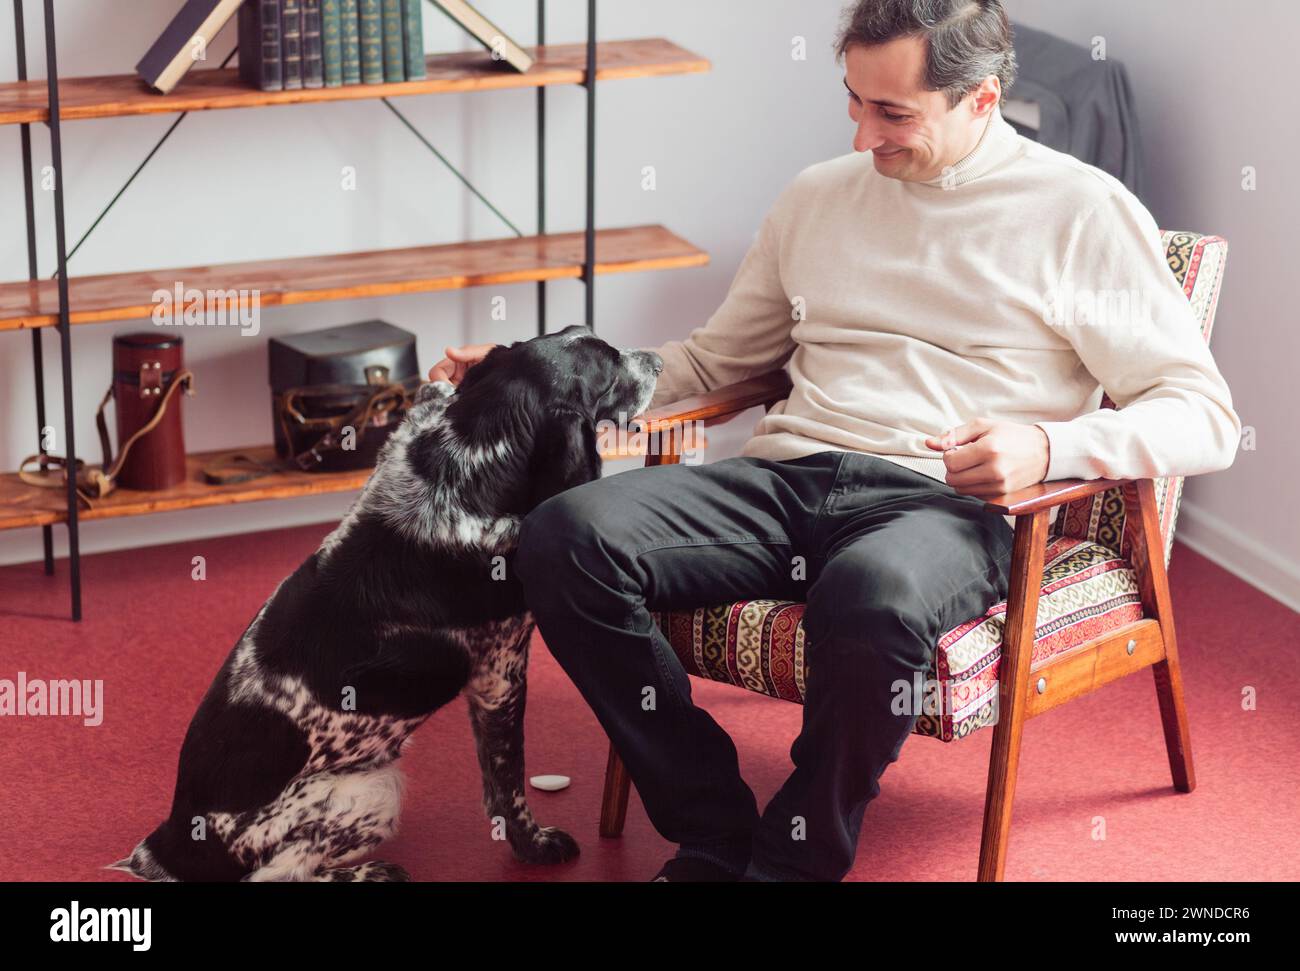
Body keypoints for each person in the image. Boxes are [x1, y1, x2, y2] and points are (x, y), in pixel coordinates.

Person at [429, 0, 1240, 881]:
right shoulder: (818, 196)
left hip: (941, 506)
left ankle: (793, 859)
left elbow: (1203, 415)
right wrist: (525, 370)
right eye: (853, 100)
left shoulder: (1082, 212)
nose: (861, 137)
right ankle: (711, 826)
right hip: (786, 480)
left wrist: (1047, 448)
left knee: (872, 593)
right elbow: (711, 360)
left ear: (981, 98)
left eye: (893, 113)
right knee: (562, 536)